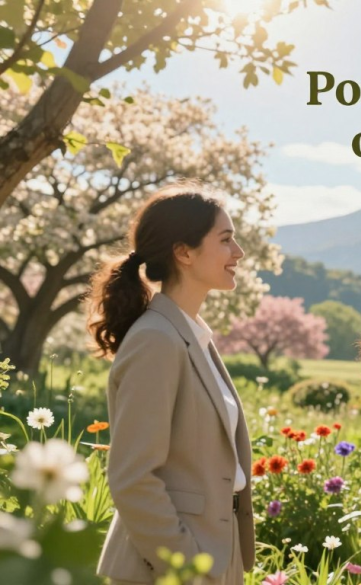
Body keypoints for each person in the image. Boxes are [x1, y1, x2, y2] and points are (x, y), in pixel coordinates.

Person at [90, 185, 253, 584]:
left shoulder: (192, 337)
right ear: (184, 252)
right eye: (226, 239)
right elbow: (133, 477)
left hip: (215, 553)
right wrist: (185, 567)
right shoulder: (156, 340)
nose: (239, 253)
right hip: (167, 568)